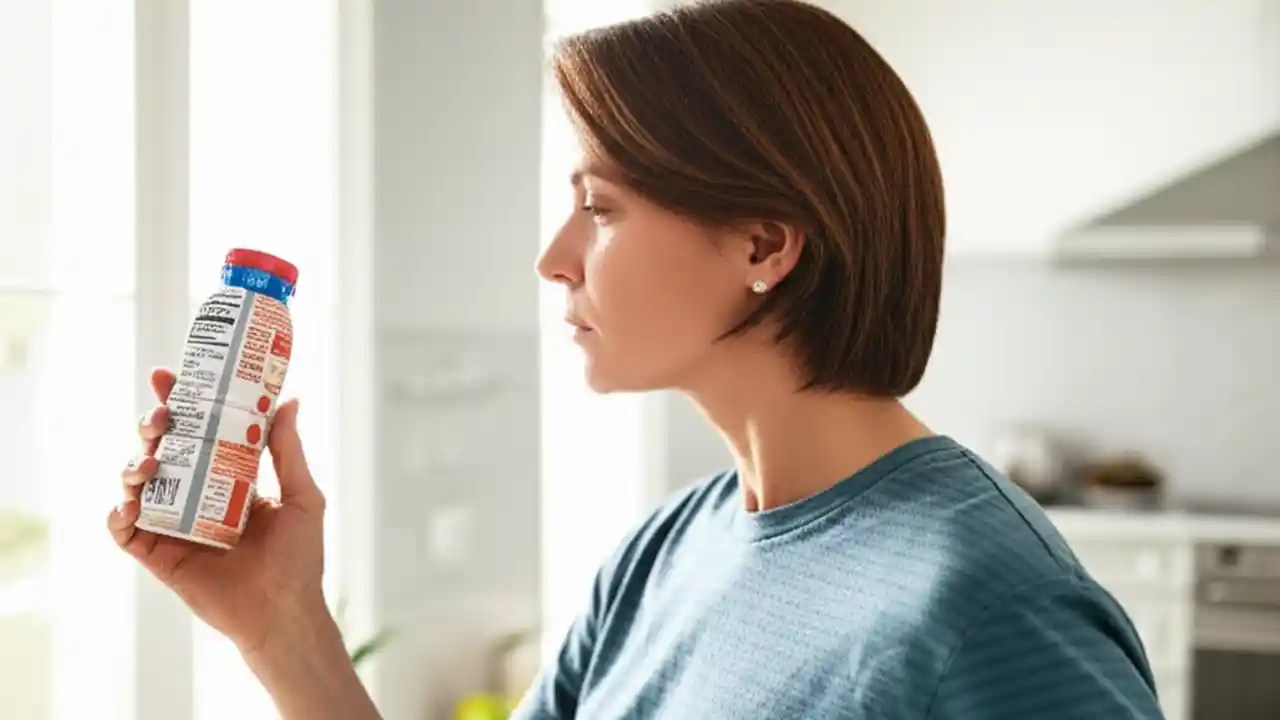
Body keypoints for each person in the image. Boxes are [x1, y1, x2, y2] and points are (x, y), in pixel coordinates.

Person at [110, 1, 1164, 718]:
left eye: (600, 208)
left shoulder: (986, 604)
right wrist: (280, 624)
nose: (554, 258)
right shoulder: (668, 548)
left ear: (764, 245)